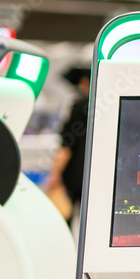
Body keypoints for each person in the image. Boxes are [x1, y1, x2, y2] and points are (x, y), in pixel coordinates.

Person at [46, 67, 90, 223]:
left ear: (85, 82)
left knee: (65, 219)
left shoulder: (78, 106)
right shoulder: (111, 106)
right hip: (96, 175)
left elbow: (67, 144)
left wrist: (55, 174)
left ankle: (69, 247)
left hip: (74, 175)